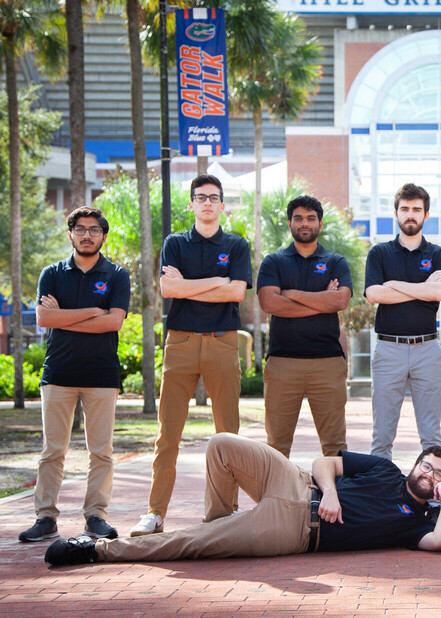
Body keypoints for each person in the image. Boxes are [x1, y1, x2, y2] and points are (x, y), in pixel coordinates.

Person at [44, 434, 441, 565]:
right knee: (222, 444)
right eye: (427, 465)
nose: (428, 474)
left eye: (439, 474)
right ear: (416, 463)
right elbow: (322, 462)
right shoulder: (386, 469)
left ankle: (98, 551)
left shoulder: (419, 522)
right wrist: (329, 493)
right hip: (296, 481)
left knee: (191, 546)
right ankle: (218, 523)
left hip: (294, 529)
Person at [131, 174, 252, 537]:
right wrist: (217, 279)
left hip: (222, 342)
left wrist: (190, 286)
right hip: (180, 343)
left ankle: (224, 513)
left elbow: (236, 295)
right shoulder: (175, 243)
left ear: (222, 205)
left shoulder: (236, 244)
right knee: (168, 433)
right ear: (191, 204)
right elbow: (169, 288)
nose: (207, 203)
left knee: (227, 434)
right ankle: (155, 513)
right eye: (200, 197)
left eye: (214, 198)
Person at [19, 207, 130, 543]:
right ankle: (45, 517)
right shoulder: (52, 273)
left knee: (101, 451)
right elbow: (43, 319)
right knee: (53, 450)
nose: (86, 235)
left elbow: (114, 322)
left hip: (101, 374)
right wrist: (92, 312)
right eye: (80, 229)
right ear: (70, 234)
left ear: (103, 236)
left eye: (94, 230)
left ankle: (95, 515)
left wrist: (64, 315)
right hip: (58, 373)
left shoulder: (116, 274)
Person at [257, 195, 352, 458]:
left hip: (327, 363)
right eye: (298, 218)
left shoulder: (335, 262)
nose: (304, 223)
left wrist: (289, 293)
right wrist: (323, 300)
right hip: (282, 363)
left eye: (311, 218)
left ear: (320, 224)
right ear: (289, 223)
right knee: (276, 446)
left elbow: (341, 300)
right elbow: (269, 303)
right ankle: (276, 500)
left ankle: (336, 498)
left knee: (335, 446)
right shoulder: (273, 262)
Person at [365, 183, 441, 460]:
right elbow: (373, 294)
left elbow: (437, 292)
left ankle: (436, 500)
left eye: (416, 209)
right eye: (405, 209)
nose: (410, 214)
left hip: (427, 350)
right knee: (382, 436)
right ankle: (379, 495)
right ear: (396, 213)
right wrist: (419, 288)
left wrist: (393, 285)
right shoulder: (379, 253)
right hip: (389, 350)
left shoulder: (438, 254)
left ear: (426, 215)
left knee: (431, 436)